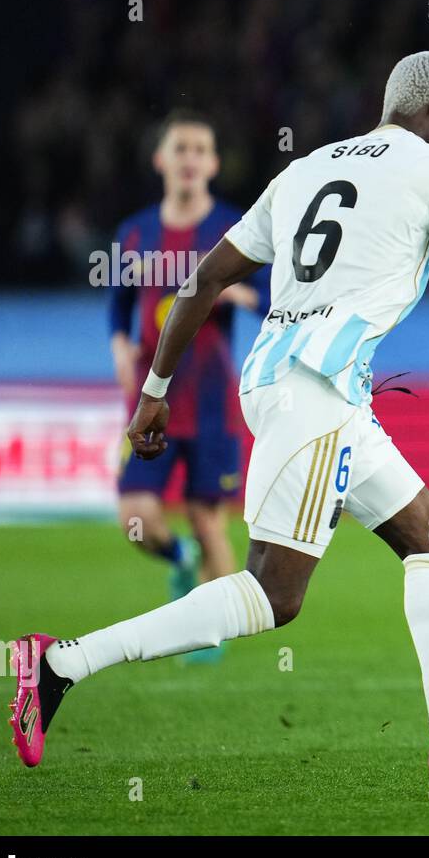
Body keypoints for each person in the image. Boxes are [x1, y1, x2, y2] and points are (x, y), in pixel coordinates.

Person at [11, 51, 429, 796]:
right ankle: (62, 663)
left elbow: (202, 281)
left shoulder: (305, 170)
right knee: (273, 596)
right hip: (315, 390)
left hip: (300, 381)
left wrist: (153, 391)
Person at [108, 112, 269, 661]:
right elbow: (119, 309)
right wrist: (119, 352)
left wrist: (236, 296)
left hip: (210, 400)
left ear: (214, 163)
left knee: (208, 518)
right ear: (161, 160)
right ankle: (177, 560)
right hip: (153, 400)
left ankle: (216, 638)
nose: (190, 158)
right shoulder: (135, 233)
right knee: (134, 516)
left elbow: (272, 297)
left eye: (200, 149)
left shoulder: (234, 227)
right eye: (180, 148)